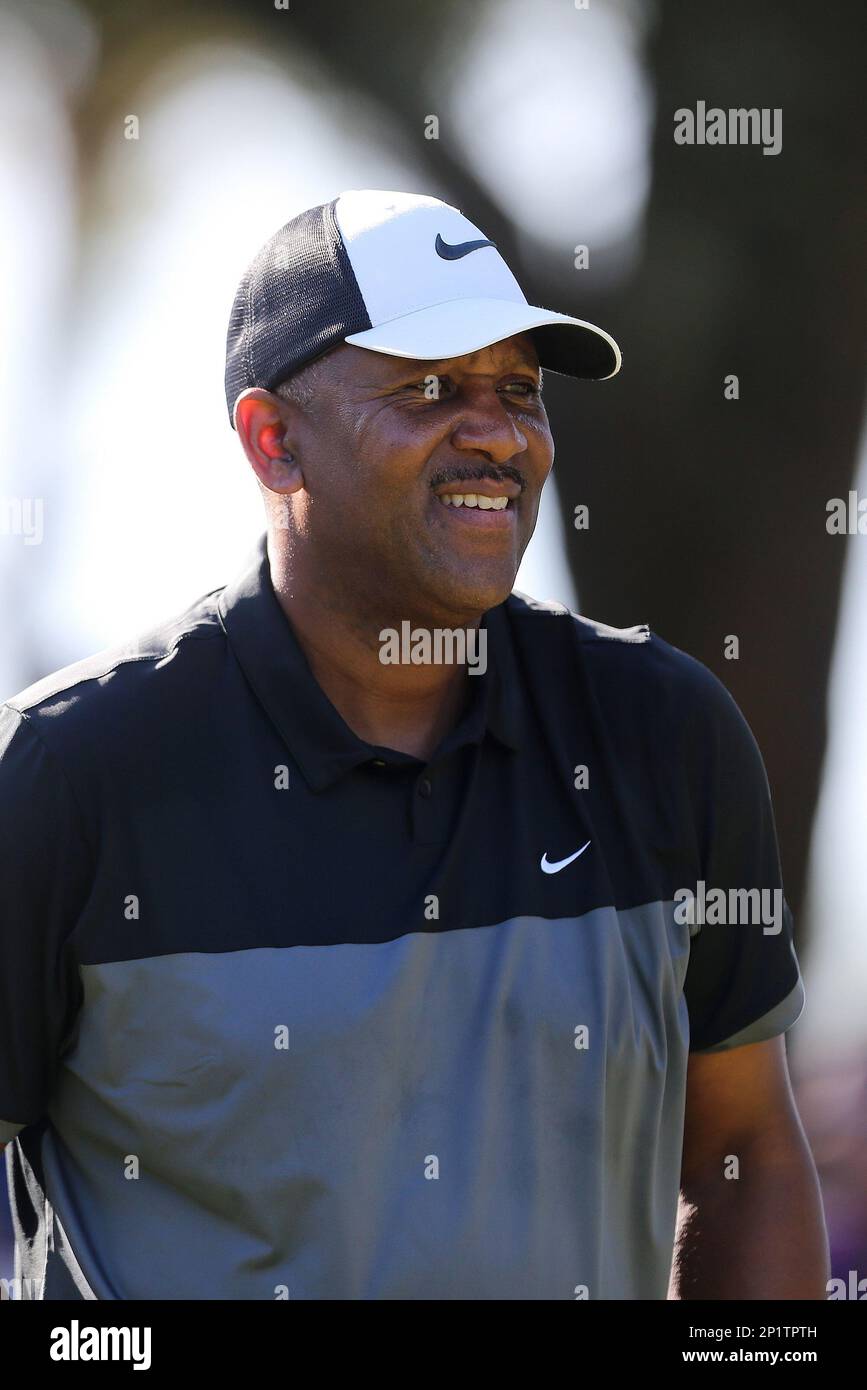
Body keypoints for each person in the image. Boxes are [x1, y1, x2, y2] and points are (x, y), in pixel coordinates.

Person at [0, 189, 828, 1300]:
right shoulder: (69, 772)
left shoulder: (662, 733)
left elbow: (745, 1157)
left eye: (519, 391)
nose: (497, 432)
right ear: (273, 439)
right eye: (431, 389)